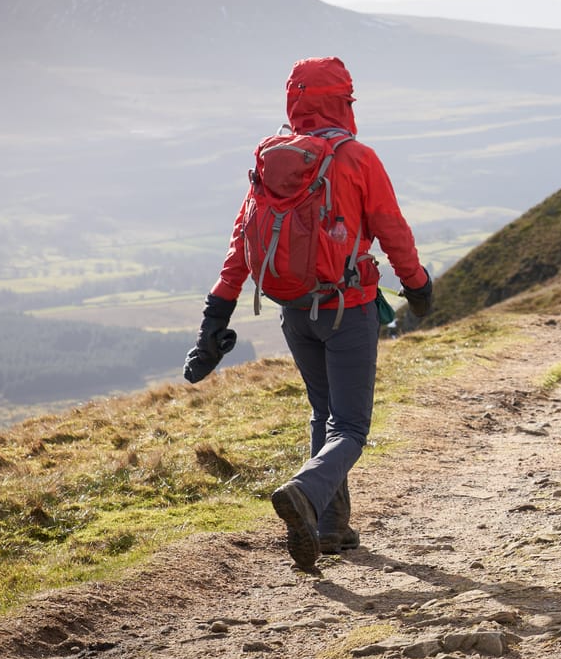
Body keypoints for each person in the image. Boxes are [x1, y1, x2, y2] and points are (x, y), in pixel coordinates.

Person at [183, 56, 432, 569]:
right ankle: (304, 491)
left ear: (293, 100)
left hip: (294, 309)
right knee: (352, 428)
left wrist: (216, 317)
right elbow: (392, 229)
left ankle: (329, 528)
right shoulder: (357, 158)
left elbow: (240, 243)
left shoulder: (274, 161)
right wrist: (418, 286)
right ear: (344, 100)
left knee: (324, 413)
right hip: (349, 308)